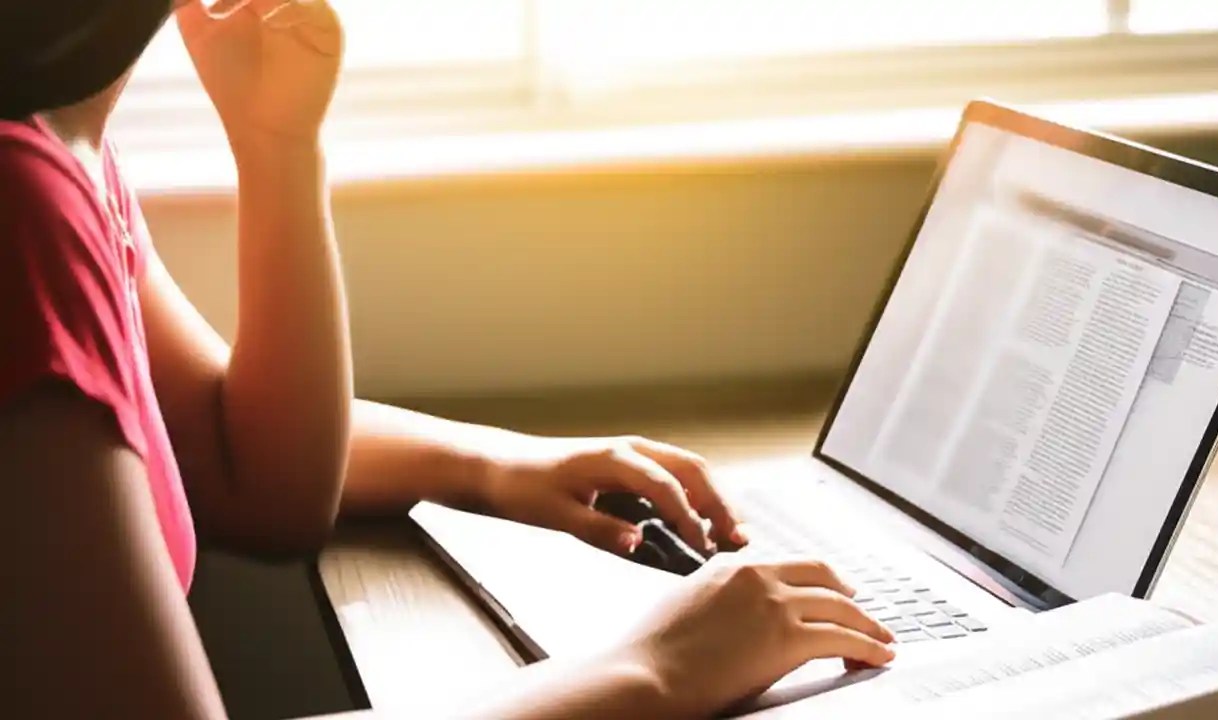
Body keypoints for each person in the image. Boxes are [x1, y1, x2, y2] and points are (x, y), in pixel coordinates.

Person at [0, 1, 895, 717]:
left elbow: (254, 474)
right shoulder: (20, 202)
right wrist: (658, 670)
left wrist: (486, 462)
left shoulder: (60, 144)